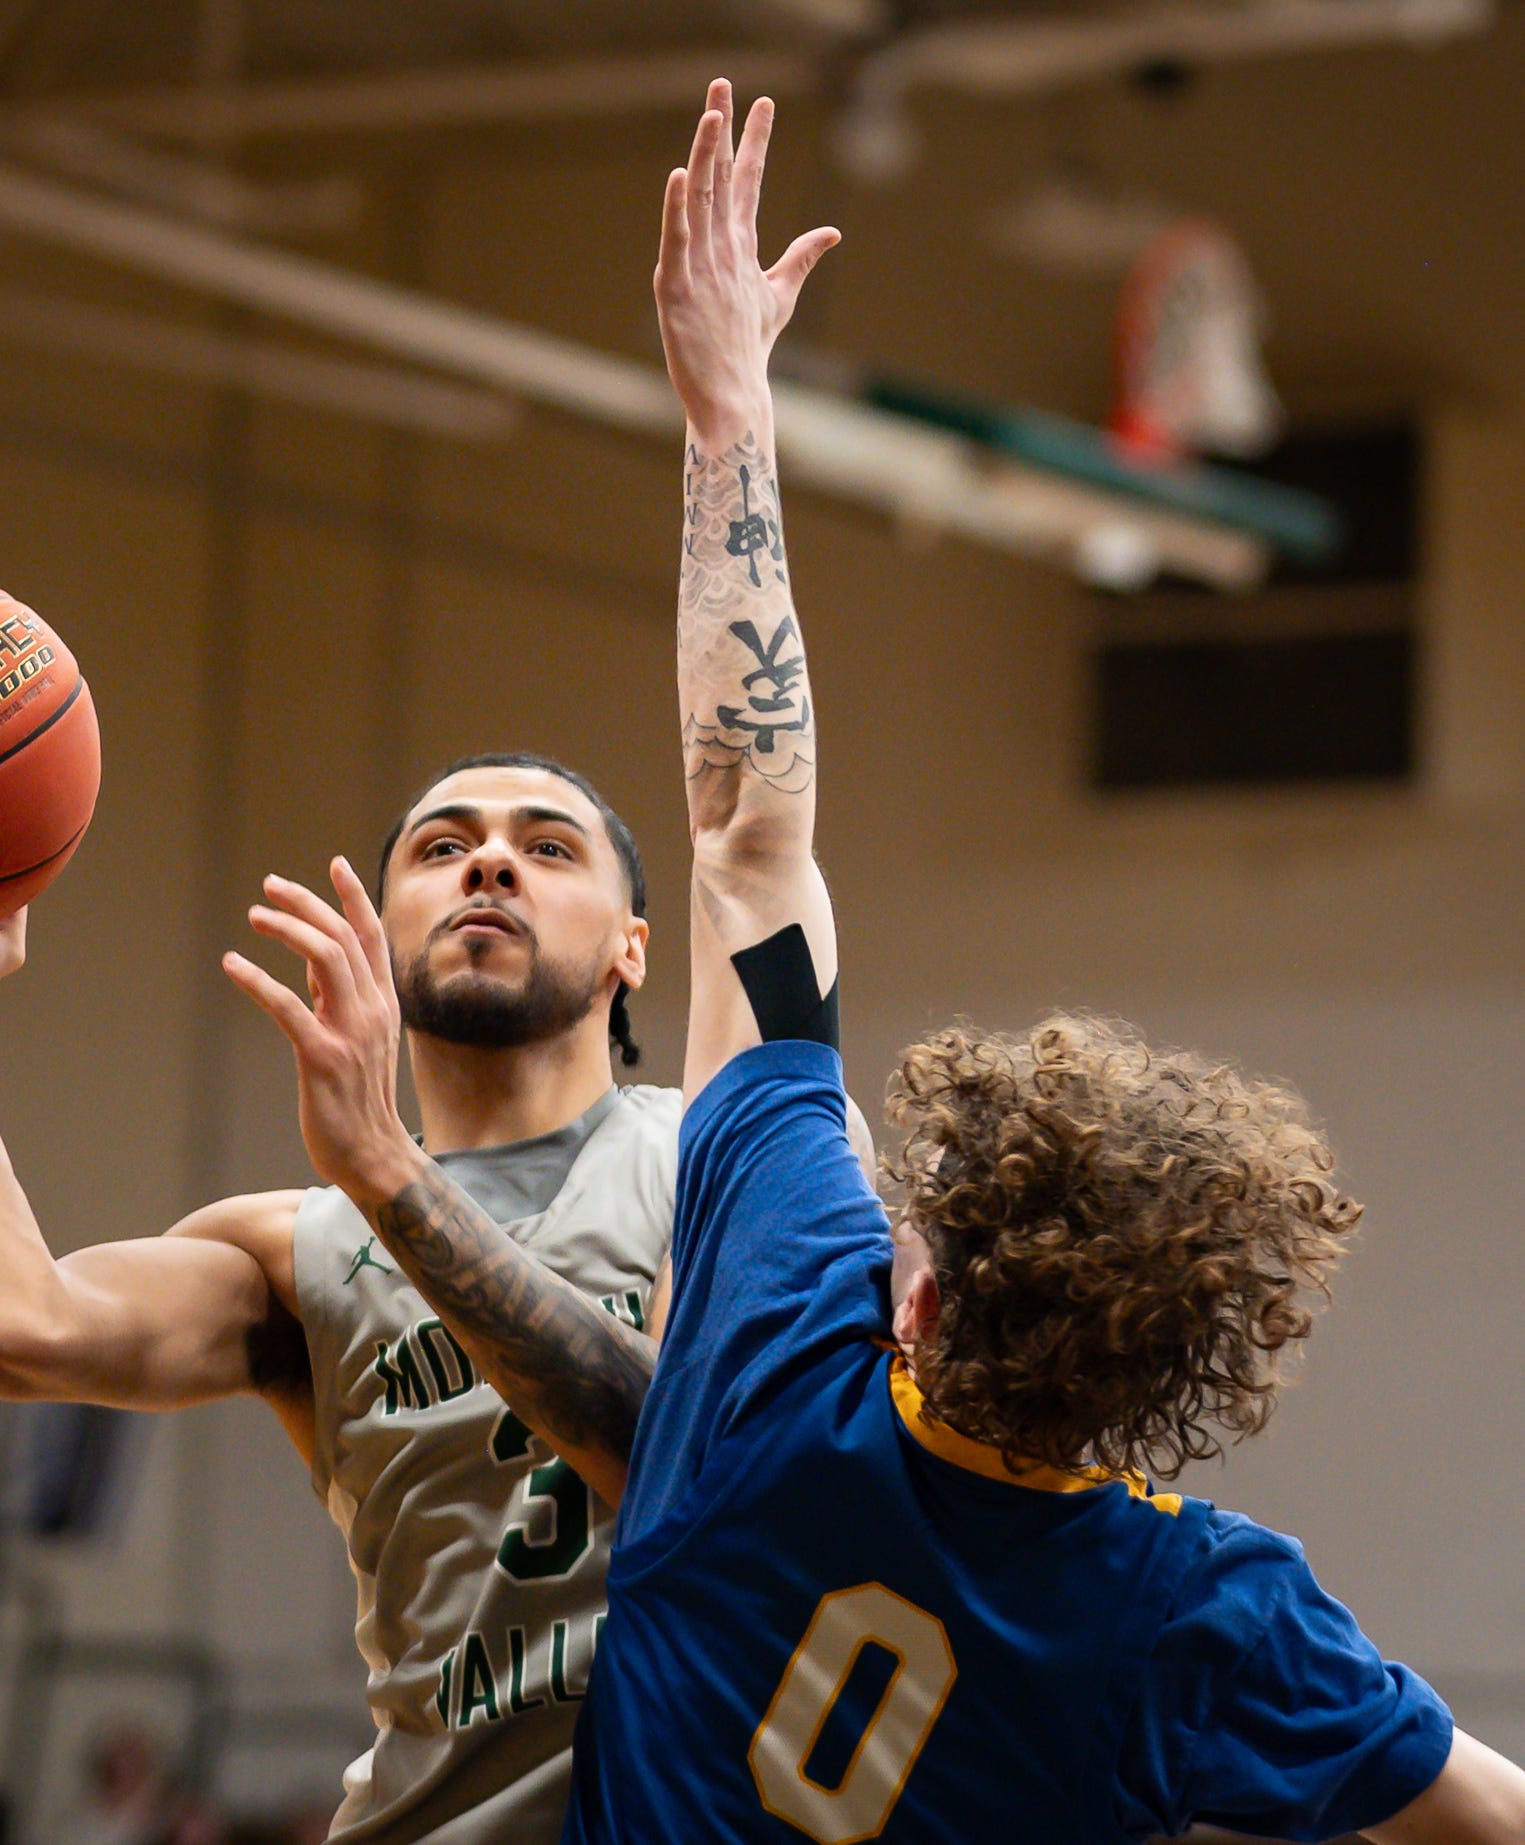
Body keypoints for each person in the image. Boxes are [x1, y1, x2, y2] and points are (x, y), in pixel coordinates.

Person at [258, 82, 1525, 1845]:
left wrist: (727, 414)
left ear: (916, 1298)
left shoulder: (788, 1321)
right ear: (1168, 1385)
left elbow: (747, 830)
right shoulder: (1207, 1619)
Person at [0, 750, 678, 1845]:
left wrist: (382, 1167)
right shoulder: (297, 1249)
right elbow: (7, 1328)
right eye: (443, 847)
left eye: (547, 848)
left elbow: (687, 1456)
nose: (491, 864)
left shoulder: (722, 1155)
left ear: (630, 948)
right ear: (381, 934)